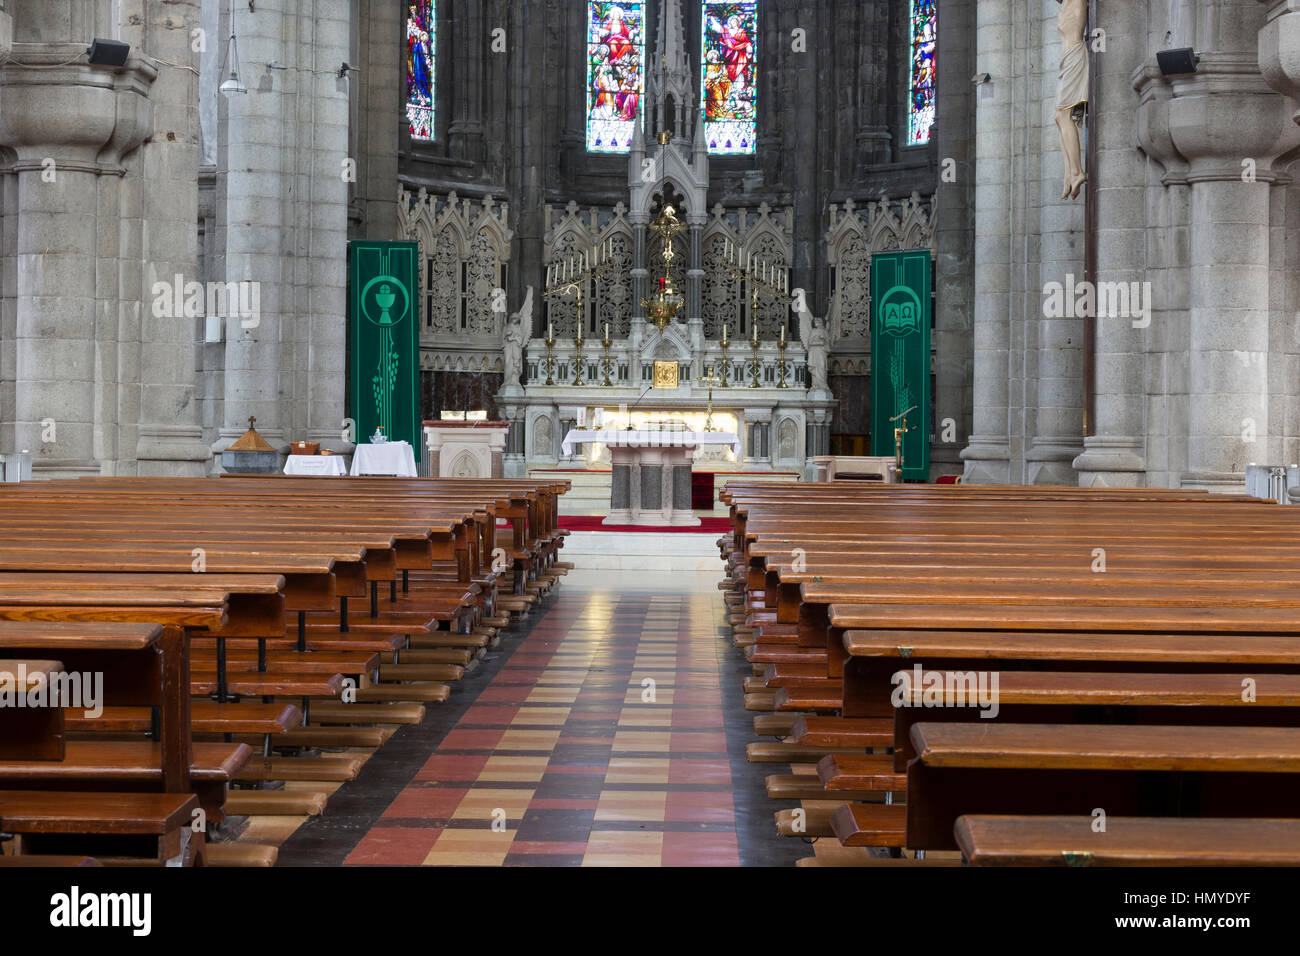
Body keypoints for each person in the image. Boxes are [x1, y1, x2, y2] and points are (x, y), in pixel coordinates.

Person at [1055, 0, 1089, 200]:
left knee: (1064, 116)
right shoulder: (1065, 5)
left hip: (1074, 55)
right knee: (1058, 118)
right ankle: (1069, 173)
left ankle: (1077, 172)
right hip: (1067, 59)